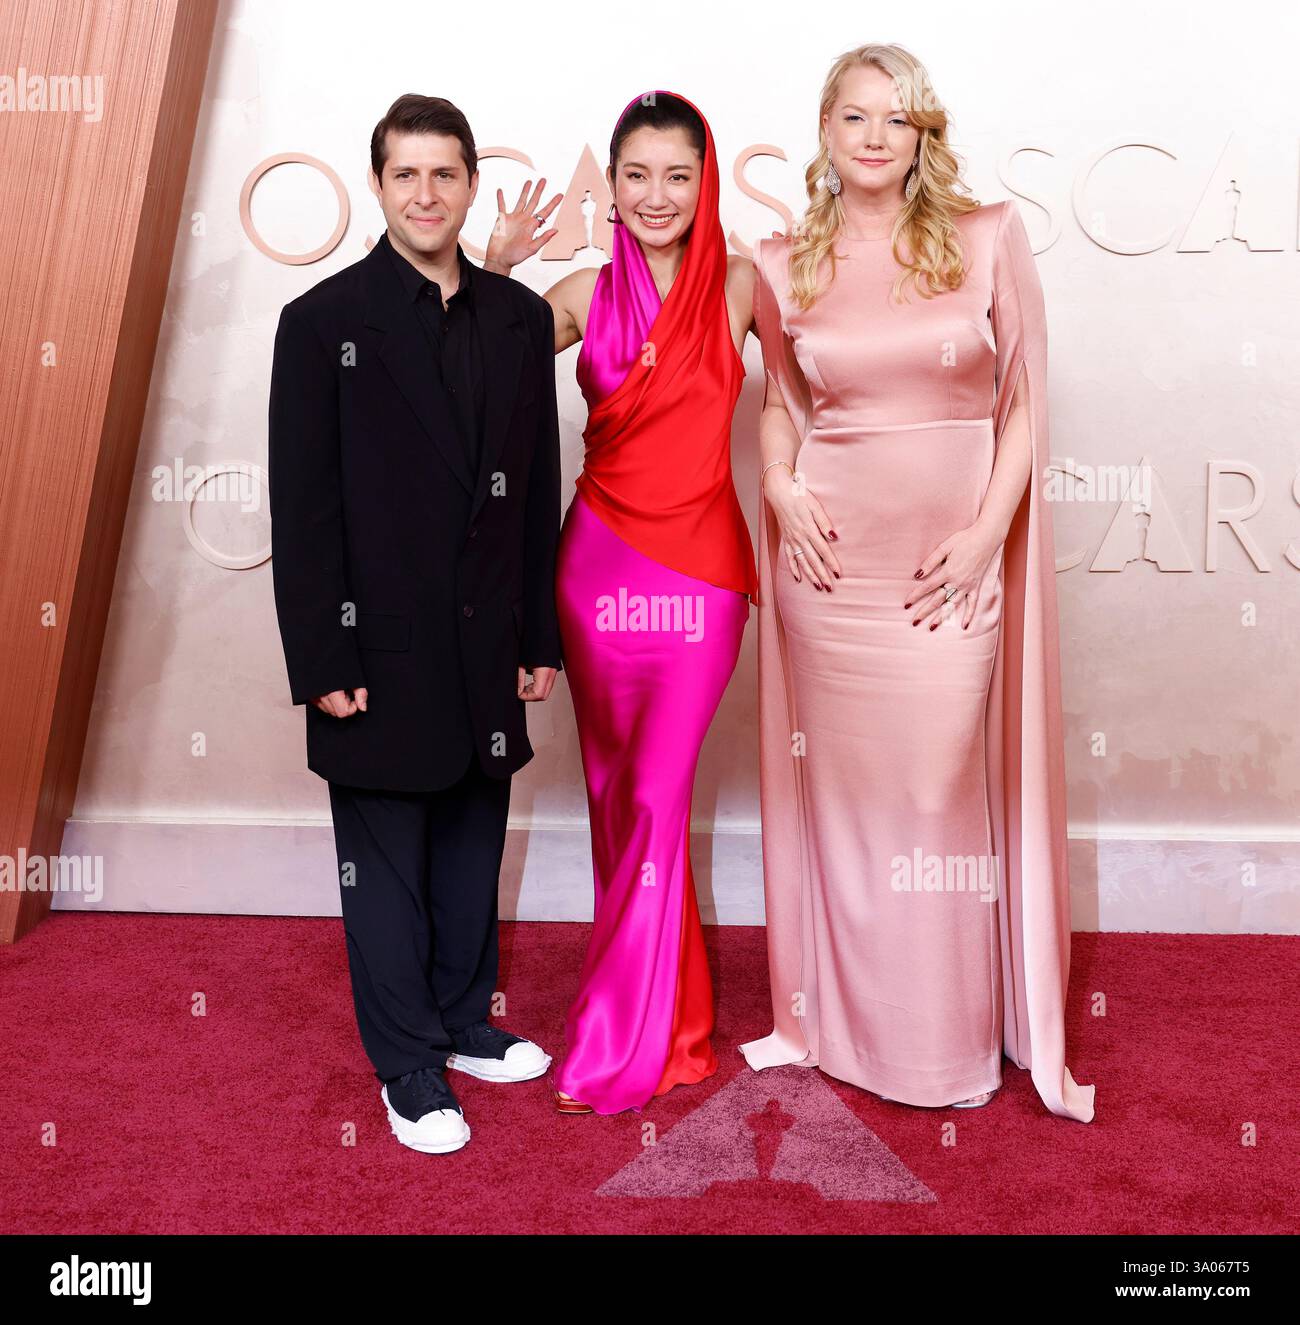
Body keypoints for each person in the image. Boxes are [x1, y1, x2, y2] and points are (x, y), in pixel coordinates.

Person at [740, 45, 1095, 1123]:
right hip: (831, 566)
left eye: (896, 120)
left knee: (935, 798)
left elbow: (1025, 398)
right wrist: (780, 488)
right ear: (825, 129)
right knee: (848, 805)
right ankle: (848, 1029)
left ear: (923, 134)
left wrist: (989, 530)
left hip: (948, 563)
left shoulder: (987, 236)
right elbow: (776, 399)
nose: (874, 137)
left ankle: (942, 1043)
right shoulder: (782, 256)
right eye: (854, 118)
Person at [268, 93, 563, 1154]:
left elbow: (532, 490)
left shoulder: (519, 319)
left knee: (471, 841)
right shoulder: (322, 324)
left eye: (445, 174)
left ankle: (462, 1020)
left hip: (488, 640)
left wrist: (539, 635)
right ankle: (408, 1068)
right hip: (372, 647)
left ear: (471, 185)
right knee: (386, 860)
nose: (427, 193)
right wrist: (321, 656)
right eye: (406, 175)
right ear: (379, 185)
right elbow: (302, 507)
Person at [486, 91, 758, 1114]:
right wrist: (502, 261)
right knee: (618, 803)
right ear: (613, 181)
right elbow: (469, 354)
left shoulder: (741, 285)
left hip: (698, 584)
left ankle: (615, 1040)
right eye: (636, 175)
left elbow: (835, 375)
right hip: (595, 575)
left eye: (677, 175)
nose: (655, 196)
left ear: (705, 180)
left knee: (655, 794)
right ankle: (679, 1025)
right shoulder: (576, 292)